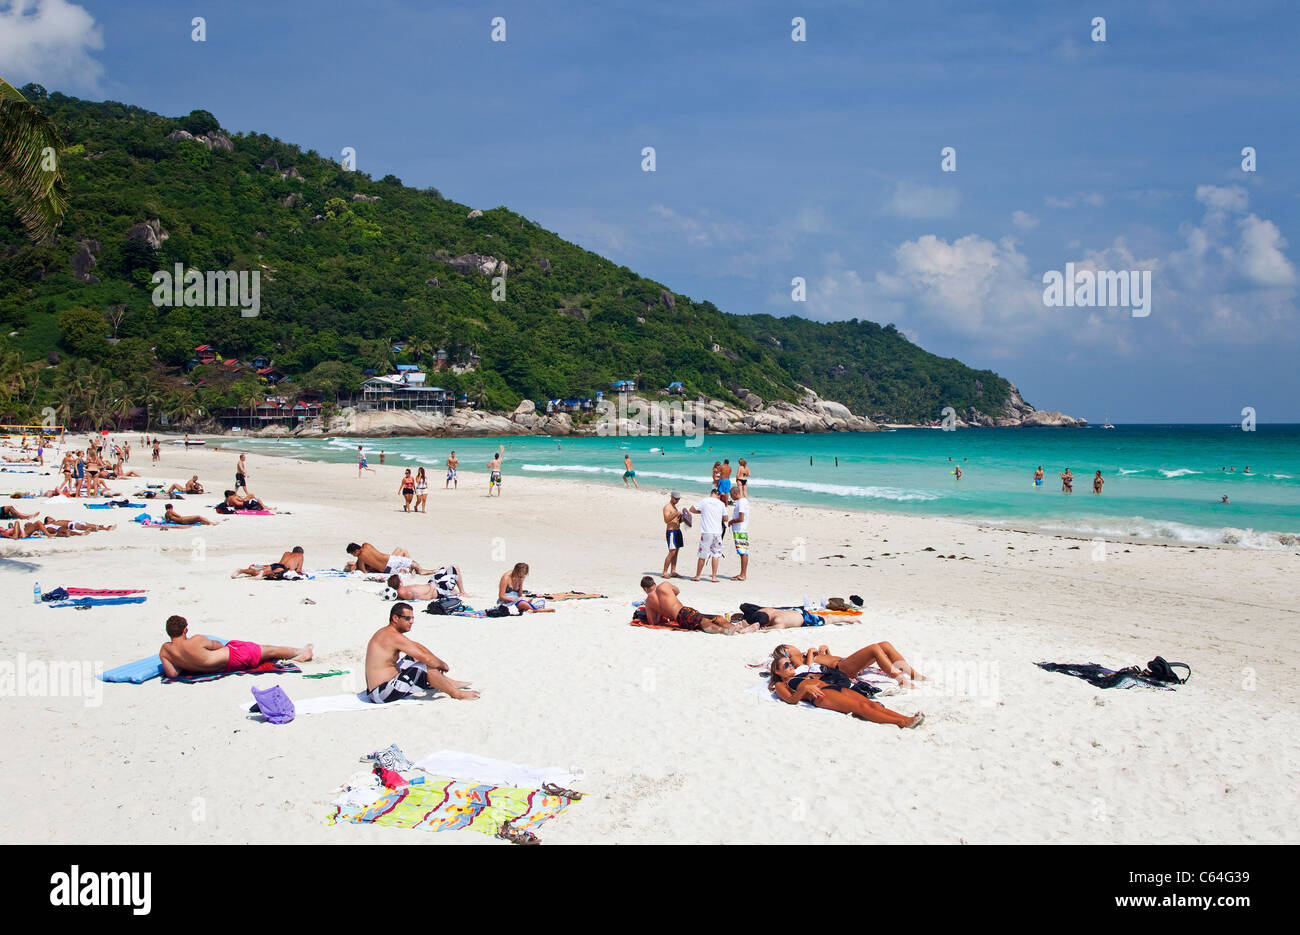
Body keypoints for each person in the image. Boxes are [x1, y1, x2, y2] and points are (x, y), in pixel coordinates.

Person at [767, 644, 925, 728]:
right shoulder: (782, 684)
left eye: (789, 664)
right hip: (822, 695)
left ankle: (906, 718)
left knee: (869, 703)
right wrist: (803, 689)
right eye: (786, 665)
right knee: (860, 708)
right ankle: (901, 722)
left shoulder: (799, 673)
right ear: (777, 671)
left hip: (832, 687)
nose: (790, 666)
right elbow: (790, 700)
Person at [364, 603, 479, 703]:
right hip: (380, 694)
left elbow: (417, 647)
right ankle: (456, 694)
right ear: (395, 618)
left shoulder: (390, 633)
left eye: (412, 618)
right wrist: (443, 665)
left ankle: (450, 683)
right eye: (408, 618)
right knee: (424, 666)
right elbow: (427, 660)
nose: (412, 622)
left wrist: (438, 661)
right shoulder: (392, 636)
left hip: (382, 688)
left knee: (413, 658)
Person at [159, 615, 312, 677]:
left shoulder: (165, 651)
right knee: (270, 650)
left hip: (223, 667)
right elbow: (218, 645)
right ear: (185, 630)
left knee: (267, 651)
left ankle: (298, 653)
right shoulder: (196, 640)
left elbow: (172, 674)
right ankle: (300, 652)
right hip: (234, 657)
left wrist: (182, 662)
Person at [639, 577, 754, 634]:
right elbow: (677, 591)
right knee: (716, 617)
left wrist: (661, 611)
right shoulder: (664, 585)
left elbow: (652, 622)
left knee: (703, 622)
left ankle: (726, 631)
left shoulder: (649, 601)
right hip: (686, 609)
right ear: (654, 583)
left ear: (645, 589)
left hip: (681, 616)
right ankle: (735, 629)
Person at [690, 489, 729, 582]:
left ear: (711, 493)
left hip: (707, 531)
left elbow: (691, 509)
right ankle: (714, 577)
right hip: (718, 532)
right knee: (716, 554)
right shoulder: (721, 504)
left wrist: (701, 512)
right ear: (718, 496)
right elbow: (726, 518)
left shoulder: (705, 501)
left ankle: (698, 575)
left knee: (703, 554)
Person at [346, 542, 433, 575]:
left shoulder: (361, 559)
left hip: (388, 566)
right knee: (412, 561)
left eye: (353, 553)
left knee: (401, 550)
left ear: (356, 551)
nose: (354, 556)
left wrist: (357, 565)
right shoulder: (366, 545)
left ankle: (412, 570)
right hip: (390, 560)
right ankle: (431, 571)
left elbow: (364, 572)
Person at [232, 546, 306, 579]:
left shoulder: (286, 553)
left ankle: (241, 570)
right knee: (272, 573)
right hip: (283, 568)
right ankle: (262, 573)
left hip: (276, 565)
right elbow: (298, 570)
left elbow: (281, 563)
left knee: (256, 572)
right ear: (301, 553)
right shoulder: (300, 556)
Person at [734, 604, 823, 629]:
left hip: (804, 618)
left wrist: (767, 628)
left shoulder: (778, 620)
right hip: (793, 611)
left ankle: (837, 618)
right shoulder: (764, 610)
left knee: (827, 620)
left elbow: (780, 626)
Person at [729, 487, 750, 581]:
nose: (730, 496)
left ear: (734, 493)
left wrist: (731, 521)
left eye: (731, 494)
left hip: (740, 530)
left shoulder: (741, 502)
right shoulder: (743, 501)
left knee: (743, 552)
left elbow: (741, 518)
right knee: (742, 552)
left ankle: (743, 574)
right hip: (741, 529)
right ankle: (742, 573)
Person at [662, 491, 684, 578]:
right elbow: (666, 520)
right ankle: (664, 572)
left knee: (676, 552)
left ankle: (673, 571)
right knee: (672, 552)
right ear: (671, 497)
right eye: (675, 499)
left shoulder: (674, 507)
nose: (677, 500)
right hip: (671, 532)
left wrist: (683, 518)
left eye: (678, 499)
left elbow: (677, 521)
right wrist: (676, 514)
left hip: (677, 531)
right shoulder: (667, 507)